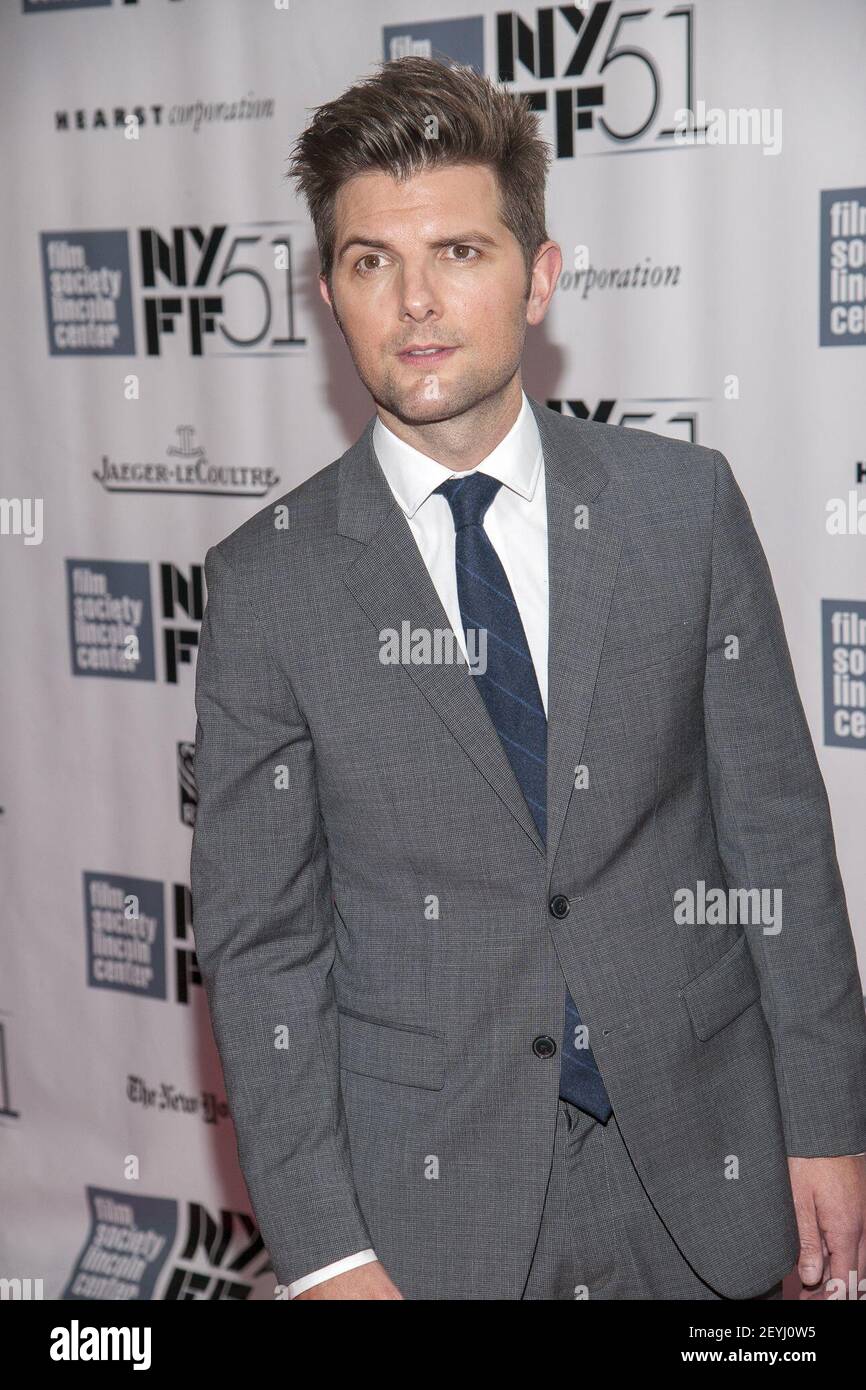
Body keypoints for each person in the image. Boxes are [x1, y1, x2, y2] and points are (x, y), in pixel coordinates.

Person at [189, 56, 866, 1300]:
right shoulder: (266, 586)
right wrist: (329, 1251)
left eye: (458, 251)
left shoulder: (681, 509)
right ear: (329, 294)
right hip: (426, 1208)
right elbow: (260, 946)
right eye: (369, 261)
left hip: (705, 1162)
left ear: (538, 275)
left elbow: (773, 835)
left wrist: (828, 1115)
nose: (414, 302)